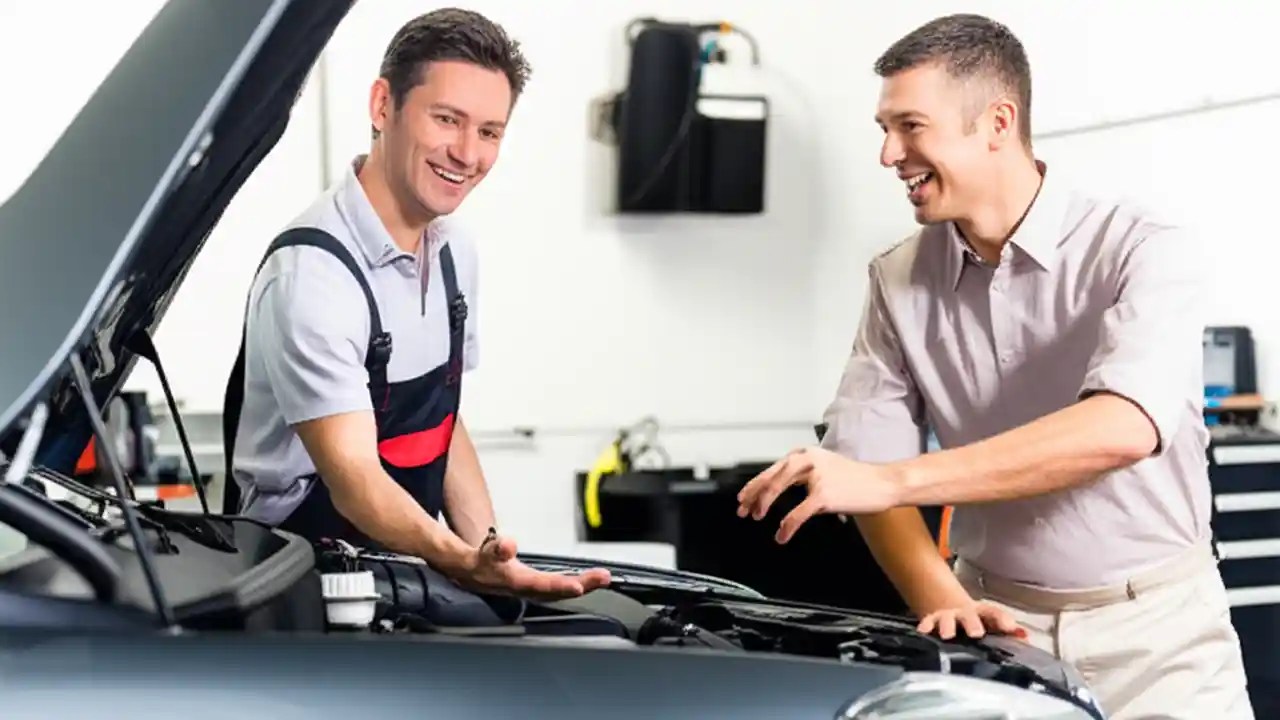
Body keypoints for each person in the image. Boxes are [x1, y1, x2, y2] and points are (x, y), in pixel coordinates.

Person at [735, 13, 1252, 720]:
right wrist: (943, 600)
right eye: (884, 129)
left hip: (1162, 638)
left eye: (910, 126)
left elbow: (1122, 428)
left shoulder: (1142, 248)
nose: (889, 154)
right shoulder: (897, 278)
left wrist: (890, 480)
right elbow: (862, 464)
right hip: (999, 627)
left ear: (997, 123)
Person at [223, 9, 609, 601]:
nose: (466, 153)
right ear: (383, 107)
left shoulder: (454, 250)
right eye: (447, 120)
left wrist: (493, 557)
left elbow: (442, 429)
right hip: (297, 585)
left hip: (403, 563)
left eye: (489, 132)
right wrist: (460, 562)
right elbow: (354, 483)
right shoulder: (314, 274)